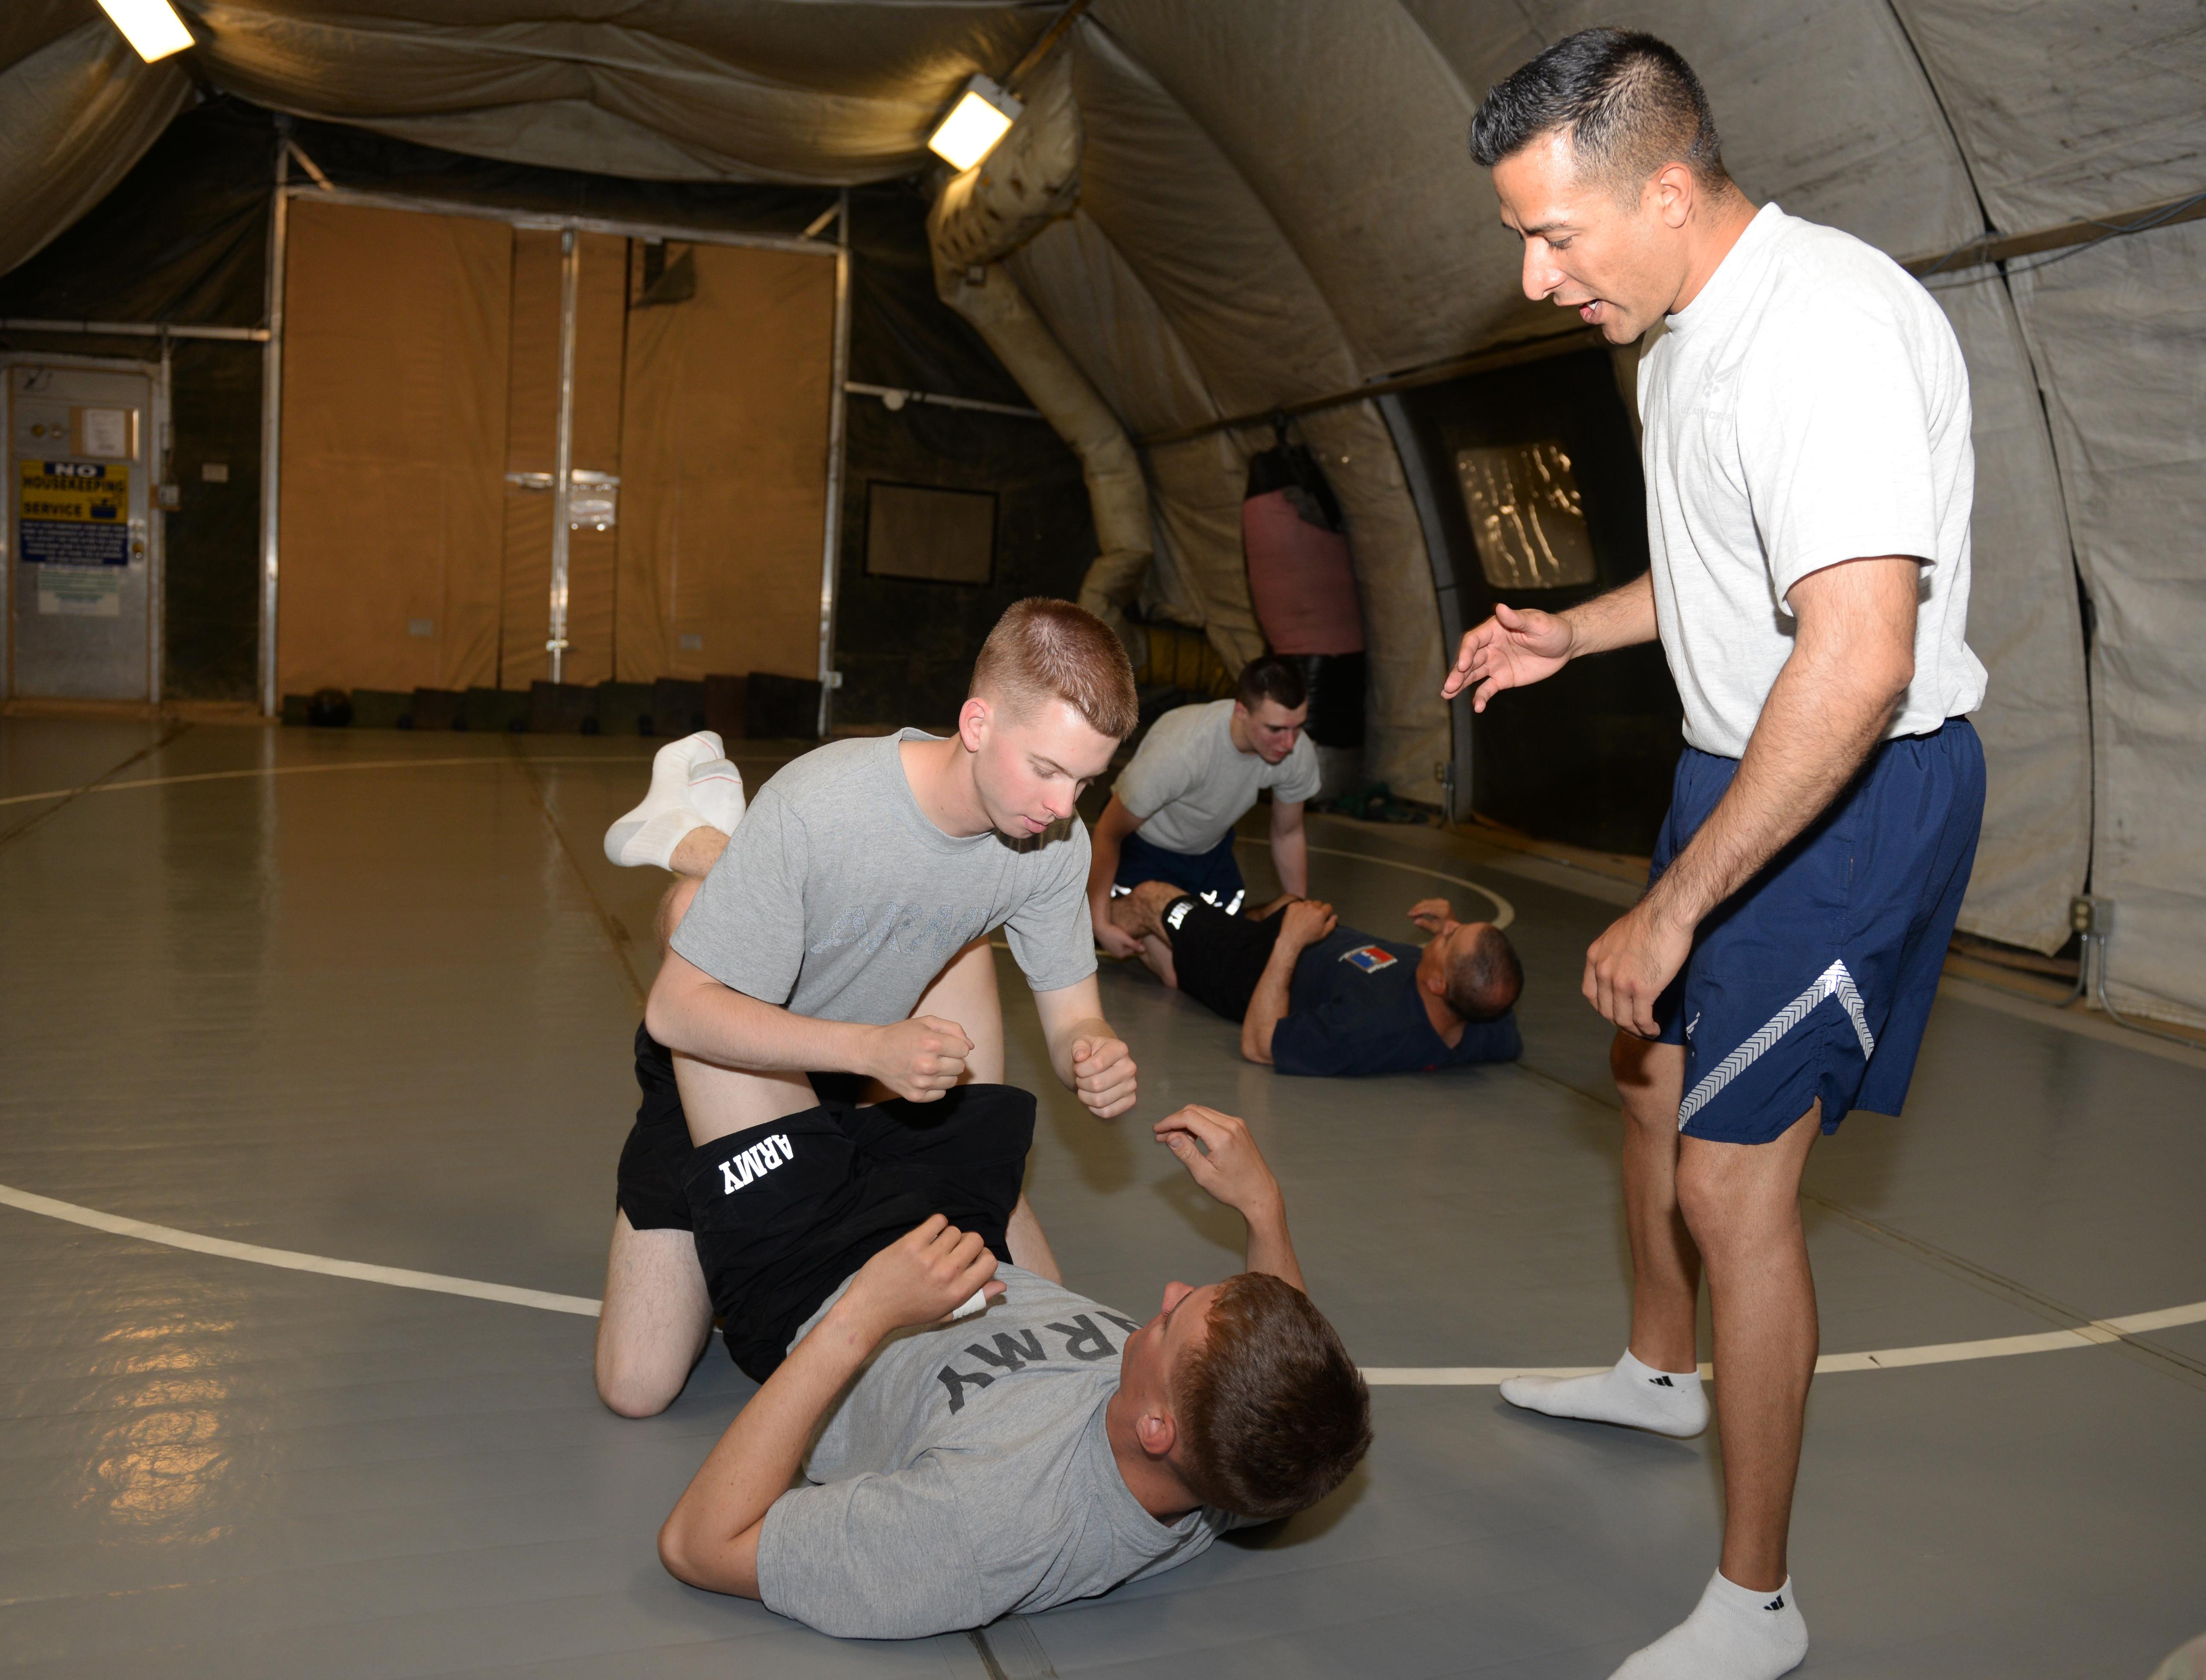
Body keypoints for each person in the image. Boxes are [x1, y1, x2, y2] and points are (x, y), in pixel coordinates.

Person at [1452, 30, 1987, 1680]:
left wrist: (1682, 899)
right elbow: (1728, 578)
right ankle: (1658, 1364)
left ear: (1669, 192)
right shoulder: (1677, 324)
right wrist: (1574, 634)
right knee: (1643, 1080)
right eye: (1523, 243)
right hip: (1740, 760)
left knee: (1729, 1175)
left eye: (1560, 237)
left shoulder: (1821, 333)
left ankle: (1758, 1601)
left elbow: (1859, 653)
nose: (1542, 281)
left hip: (1852, 794)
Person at [594, 599, 1147, 1419]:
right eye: (1046, 768)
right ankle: (695, 836)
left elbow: (1073, 1014)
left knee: (1043, 1324)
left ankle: (721, 859)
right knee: (637, 1387)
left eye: (1085, 780)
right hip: (731, 1056)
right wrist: (871, 1049)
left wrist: (1090, 1051)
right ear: (976, 721)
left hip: (878, 1063)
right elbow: (678, 1013)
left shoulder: (1051, 846)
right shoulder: (824, 804)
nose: (1064, 806)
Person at [640, 1072, 1371, 1639]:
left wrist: (862, 1315)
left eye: (1170, 1321)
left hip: (817, 1275)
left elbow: (699, 1545)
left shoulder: (977, 1534)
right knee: (941, 935)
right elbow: (1293, 1383)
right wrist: (1262, 1206)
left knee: (711, 975)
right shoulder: (1250, 1463)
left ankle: (673, 1149)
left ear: (1158, 1428)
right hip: (966, 1232)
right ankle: (835, 1099)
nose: (1171, 1291)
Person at [1108, 879, 1523, 1075]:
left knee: (1150, 898)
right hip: (1298, 931)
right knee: (1283, 902)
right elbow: (1486, 981)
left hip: (1249, 967)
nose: (1449, 927)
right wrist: (1449, 935)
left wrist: (1290, 940)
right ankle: (1177, 962)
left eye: (1451, 939)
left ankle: (1071, 928)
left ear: (1438, 986)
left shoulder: (1368, 1029)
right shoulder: (1485, 1017)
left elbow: (1258, 1045)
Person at [1088, 655, 1320, 955]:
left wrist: (1297, 906)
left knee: (1223, 953)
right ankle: (1106, 912)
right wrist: (1098, 924)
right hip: (1145, 850)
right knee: (1180, 972)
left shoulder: (1294, 750)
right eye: (1275, 729)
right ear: (1241, 711)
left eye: (1297, 727)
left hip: (1209, 852)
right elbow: (1108, 832)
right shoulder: (1182, 750)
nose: (1289, 743)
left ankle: (1190, 916)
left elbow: (1288, 833)